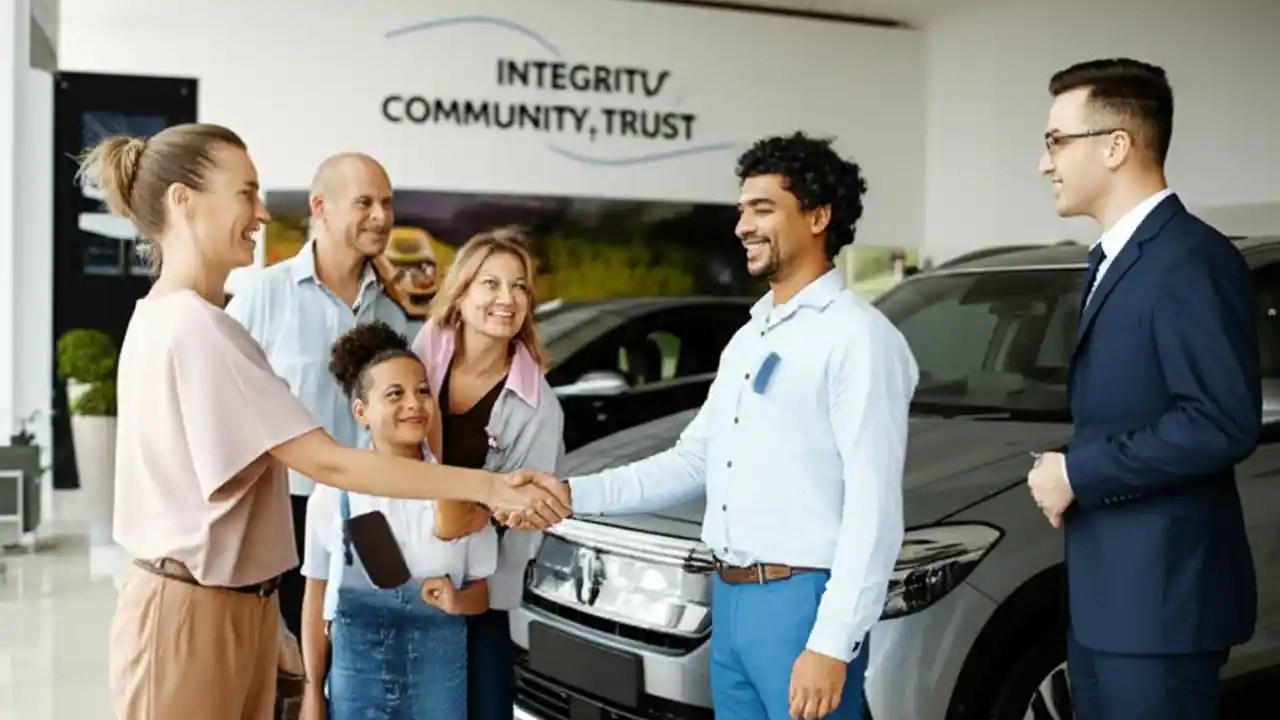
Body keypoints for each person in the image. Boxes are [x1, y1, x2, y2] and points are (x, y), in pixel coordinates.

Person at [77, 123, 571, 719]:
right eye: (246, 193)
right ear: (184, 200)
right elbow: (330, 463)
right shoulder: (199, 325)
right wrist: (490, 486)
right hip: (198, 606)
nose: (262, 213)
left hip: (238, 597)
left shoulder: (185, 319)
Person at [520, 132, 917, 720]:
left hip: (801, 606)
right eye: (742, 210)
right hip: (728, 605)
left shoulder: (858, 338)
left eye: (762, 209)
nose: (742, 226)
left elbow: (874, 509)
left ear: (818, 217)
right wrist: (570, 495)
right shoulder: (750, 337)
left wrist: (832, 643)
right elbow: (692, 462)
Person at [1028, 58, 1259, 719]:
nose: (1044, 164)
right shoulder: (1115, 259)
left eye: (1055, 142)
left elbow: (1219, 421)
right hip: (1110, 605)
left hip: (1162, 607)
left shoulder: (1189, 258)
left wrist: (1078, 472)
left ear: (1115, 146)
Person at [226, 152, 411, 639]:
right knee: (289, 655)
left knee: (372, 644)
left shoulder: (394, 314)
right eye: (365, 203)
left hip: (374, 513)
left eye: (387, 203)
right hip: (285, 512)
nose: (381, 216)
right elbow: (222, 411)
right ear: (321, 207)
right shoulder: (264, 295)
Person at [301, 322, 493, 720]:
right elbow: (315, 596)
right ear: (361, 412)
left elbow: (481, 594)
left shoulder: (458, 492)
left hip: (438, 691)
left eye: (423, 391)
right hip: (356, 692)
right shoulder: (335, 495)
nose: (414, 404)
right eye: (395, 394)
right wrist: (312, 692)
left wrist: (456, 600)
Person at [410, 227, 565, 720]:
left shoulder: (538, 407)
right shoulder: (421, 357)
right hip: (398, 575)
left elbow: (527, 521)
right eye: (491, 284)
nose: (507, 298)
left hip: (475, 592)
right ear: (461, 294)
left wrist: (482, 598)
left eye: (519, 287)